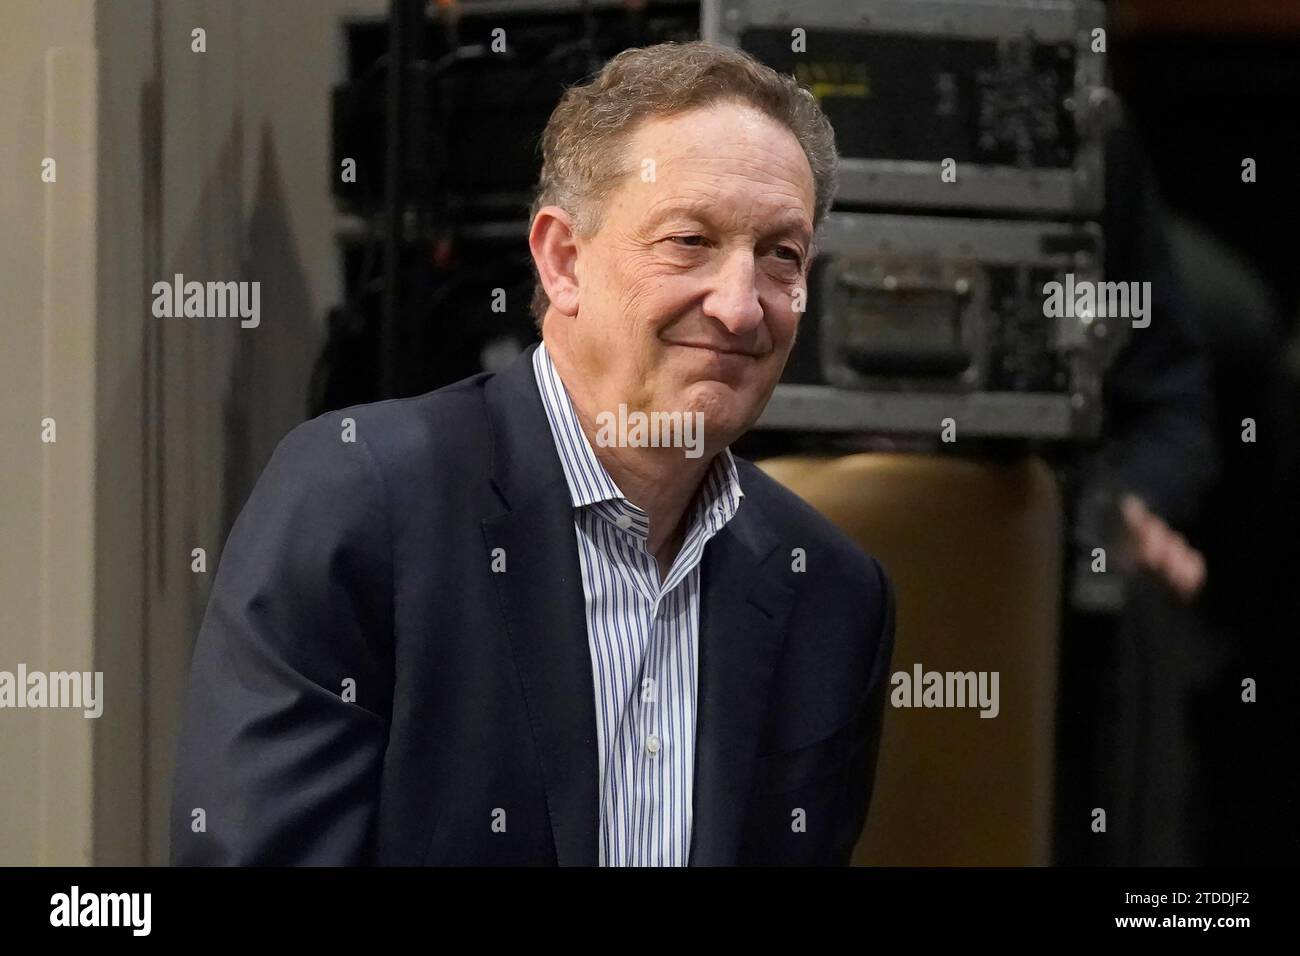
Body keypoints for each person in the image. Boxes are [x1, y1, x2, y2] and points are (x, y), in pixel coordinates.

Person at [170, 41, 896, 867]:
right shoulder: (361, 501)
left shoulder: (830, 593)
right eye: (689, 240)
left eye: (781, 255)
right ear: (563, 260)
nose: (740, 307)